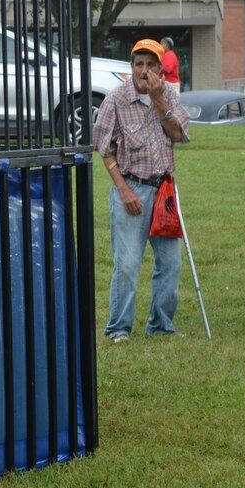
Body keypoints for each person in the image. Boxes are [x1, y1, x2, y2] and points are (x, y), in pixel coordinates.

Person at [92, 38, 191, 342]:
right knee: (126, 266)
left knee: (170, 266)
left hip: (163, 191)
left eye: (151, 65)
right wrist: (124, 191)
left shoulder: (169, 95)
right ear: (131, 67)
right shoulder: (115, 99)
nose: (144, 70)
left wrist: (160, 101)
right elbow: (104, 149)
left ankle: (161, 326)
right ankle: (118, 329)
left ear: (161, 69)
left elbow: (179, 134)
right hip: (131, 188)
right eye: (139, 64)